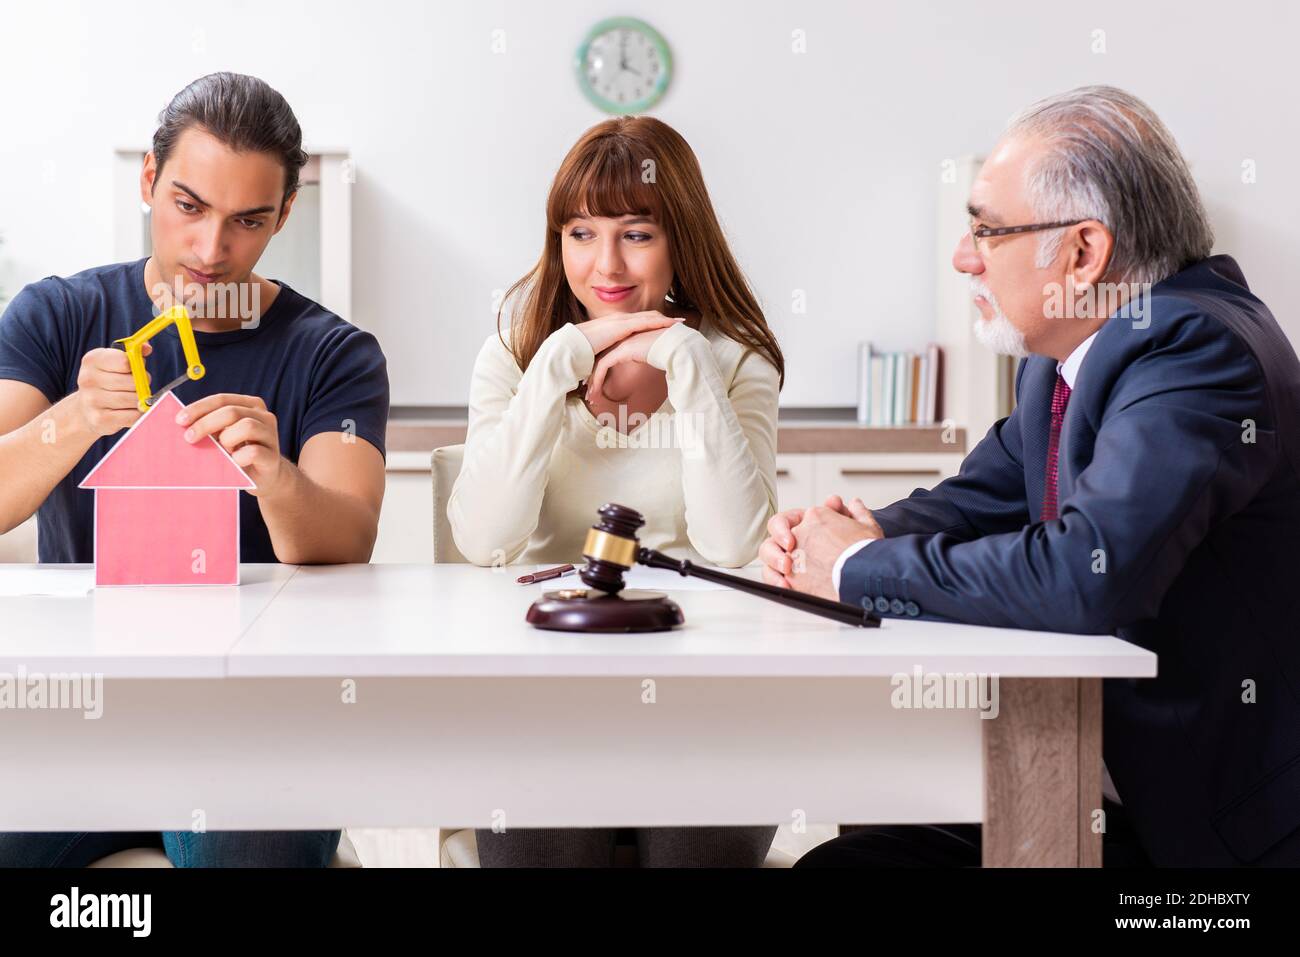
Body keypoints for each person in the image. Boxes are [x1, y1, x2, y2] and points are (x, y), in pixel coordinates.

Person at [762, 86, 1300, 867]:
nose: (963, 255)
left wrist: (850, 566)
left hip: (1211, 846)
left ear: (1083, 254)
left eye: (987, 228)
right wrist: (852, 530)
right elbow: (977, 501)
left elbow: (1085, 576)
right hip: (1098, 787)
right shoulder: (1070, 358)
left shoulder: (1193, 350)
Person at [0, 72, 389, 867]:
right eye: (189, 207)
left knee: (241, 853)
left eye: (248, 221)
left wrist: (276, 474)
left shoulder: (335, 353)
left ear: (285, 214)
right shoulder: (55, 316)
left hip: (258, 716)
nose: (212, 251)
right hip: (82, 706)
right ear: (148, 181)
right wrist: (75, 417)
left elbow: (348, 538)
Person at [449, 115, 783, 866]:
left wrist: (689, 364)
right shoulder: (516, 355)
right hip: (546, 688)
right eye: (580, 233)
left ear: (681, 235)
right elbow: (484, 539)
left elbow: (733, 543)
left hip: (708, 689)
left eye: (637, 233)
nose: (606, 264)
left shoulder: (734, 359)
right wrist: (556, 366)